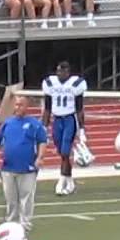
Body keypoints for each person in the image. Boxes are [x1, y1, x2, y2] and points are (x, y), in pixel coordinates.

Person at [0, 95, 46, 230]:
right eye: (16, 105)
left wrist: (40, 157)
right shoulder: (8, 123)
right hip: (8, 167)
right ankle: (11, 220)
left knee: (26, 197)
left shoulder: (35, 124)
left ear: (27, 106)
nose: (18, 107)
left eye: (21, 105)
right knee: (10, 197)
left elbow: (42, 141)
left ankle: (25, 223)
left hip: (27, 167)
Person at [40, 61, 88, 197]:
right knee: (62, 153)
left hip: (69, 120)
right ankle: (70, 181)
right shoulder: (51, 83)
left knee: (66, 151)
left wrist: (82, 129)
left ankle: (61, 181)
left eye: (62, 71)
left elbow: (79, 109)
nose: (59, 74)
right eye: (58, 71)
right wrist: (44, 127)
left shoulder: (76, 84)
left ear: (68, 72)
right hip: (57, 120)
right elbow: (47, 108)